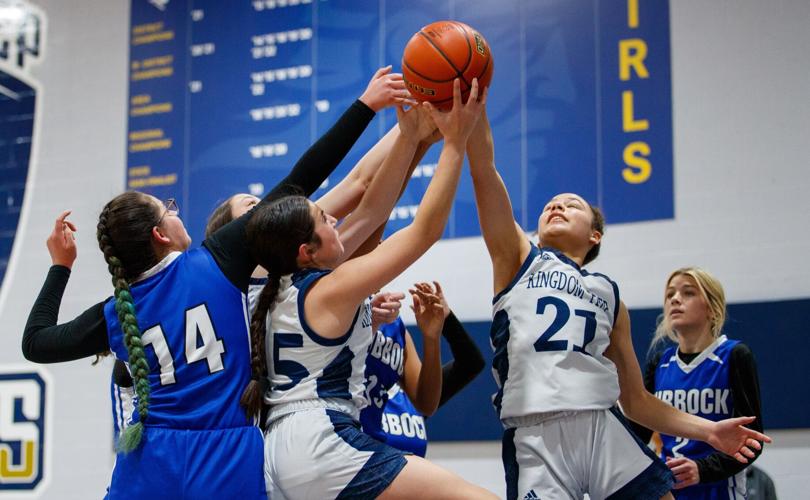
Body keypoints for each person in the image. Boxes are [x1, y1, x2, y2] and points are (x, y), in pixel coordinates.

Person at [21, 67, 412, 499]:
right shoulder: (216, 260)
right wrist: (365, 107)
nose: (176, 209)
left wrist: (60, 266)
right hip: (227, 457)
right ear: (159, 234)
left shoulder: (119, 310)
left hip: (150, 463)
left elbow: (36, 343)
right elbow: (301, 179)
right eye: (167, 208)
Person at [464, 108, 771, 500]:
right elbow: (484, 171)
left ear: (594, 235)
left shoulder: (609, 295)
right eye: (549, 205)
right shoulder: (517, 259)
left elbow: (636, 401)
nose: (557, 206)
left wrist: (708, 430)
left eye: (571, 205)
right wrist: (475, 112)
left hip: (600, 424)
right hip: (534, 434)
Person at [248, 79, 497, 499]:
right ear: (307, 251)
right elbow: (424, 232)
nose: (335, 221)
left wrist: (414, 139)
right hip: (321, 439)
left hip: (281, 447)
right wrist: (454, 144)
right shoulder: (331, 288)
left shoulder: (281, 289)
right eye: (326, 220)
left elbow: (372, 209)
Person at [631, 268, 765, 499]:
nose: (675, 299)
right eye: (670, 294)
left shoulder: (734, 355)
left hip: (719, 490)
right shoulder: (660, 362)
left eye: (688, 292)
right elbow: (638, 434)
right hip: (668, 489)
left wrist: (702, 469)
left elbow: (751, 439)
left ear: (712, 309)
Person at [362, 282, 485, 457]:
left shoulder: (406, 395)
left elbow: (470, 364)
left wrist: (434, 334)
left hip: (396, 476)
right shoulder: (353, 388)